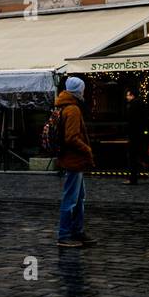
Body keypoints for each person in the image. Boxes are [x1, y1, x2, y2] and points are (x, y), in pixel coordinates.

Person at [56, 76, 95, 248]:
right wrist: (87, 149)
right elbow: (71, 137)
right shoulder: (73, 109)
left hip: (72, 160)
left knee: (79, 198)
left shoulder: (64, 106)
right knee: (71, 199)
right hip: (74, 160)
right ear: (79, 90)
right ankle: (65, 235)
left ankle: (77, 231)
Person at [124, 86, 149, 185]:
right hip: (142, 134)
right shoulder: (142, 103)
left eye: (128, 95)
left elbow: (131, 121)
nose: (126, 97)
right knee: (143, 155)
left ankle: (133, 179)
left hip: (135, 135)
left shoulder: (132, 105)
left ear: (132, 95)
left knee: (133, 157)